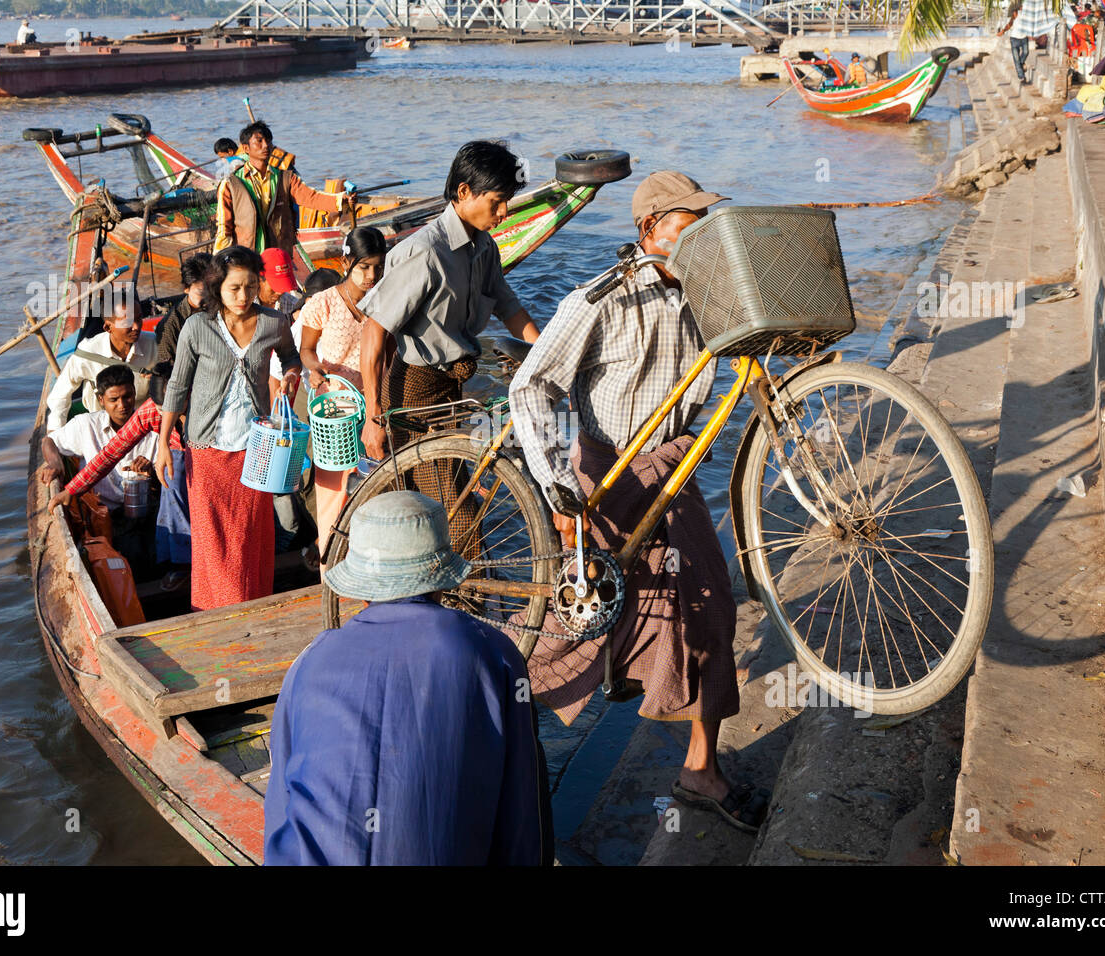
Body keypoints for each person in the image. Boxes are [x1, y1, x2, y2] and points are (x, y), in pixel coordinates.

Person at [509, 171, 765, 832]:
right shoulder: (603, 299)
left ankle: (700, 771)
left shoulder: (709, 291)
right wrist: (554, 482)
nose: (696, 239)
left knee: (709, 608)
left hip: (674, 472)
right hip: (610, 475)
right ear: (649, 231)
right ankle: (490, 715)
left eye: (703, 226)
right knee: (576, 623)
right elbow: (530, 385)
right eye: (683, 226)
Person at [264, 490, 553, 866]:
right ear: (443, 580)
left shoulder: (309, 663)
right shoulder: (494, 655)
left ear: (361, 586)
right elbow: (523, 818)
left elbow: (279, 811)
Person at [358, 141, 539, 460]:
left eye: (507, 202)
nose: (504, 213)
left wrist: (546, 355)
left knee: (448, 494)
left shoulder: (485, 248)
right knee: (446, 502)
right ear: (465, 191)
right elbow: (374, 330)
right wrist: (373, 416)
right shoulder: (427, 252)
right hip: (413, 393)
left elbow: (510, 309)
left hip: (451, 390)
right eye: (497, 202)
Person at [156, 245, 303, 611]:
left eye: (251, 287)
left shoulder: (274, 322)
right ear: (217, 286)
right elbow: (176, 387)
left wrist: (289, 376)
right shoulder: (197, 327)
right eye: (234, 288)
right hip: (206, 454)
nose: (243, 296)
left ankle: (250, 606)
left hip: (256, 450)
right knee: (214, 546)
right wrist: (162, 445)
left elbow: (291, 358)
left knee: (251, 538)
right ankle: (218, 613)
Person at [272, 226, 386, 557]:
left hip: (374, 406)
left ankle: (368, 561)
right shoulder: (322, 302)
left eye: (378, 267)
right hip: (333, 408)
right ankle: (330, 562)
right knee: (333, 491)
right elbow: (306, 349)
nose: (371, 275)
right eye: (364, 267)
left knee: (372, 488)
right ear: (347, 261)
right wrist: (314, 369)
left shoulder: (385, 301)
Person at [48, 394, 190, 578]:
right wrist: (70, 490)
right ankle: (178, 565)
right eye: (160, 409)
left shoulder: (204, 409)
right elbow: (110, 454)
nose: (164, 415)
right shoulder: (150, 412)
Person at [40, 364, 159, 574]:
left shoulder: (152, 428)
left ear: (134, 393)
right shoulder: (86, 425)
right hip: (103, 517)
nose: (122, 405)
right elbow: (49, 441)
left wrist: (152, 472)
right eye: (114, 400)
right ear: (101, 400)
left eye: (127, 397)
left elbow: (170, 473)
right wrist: (55, 463)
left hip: (145, 513)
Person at [213, 121, 349, 258]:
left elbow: (310, 197)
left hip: (279, 254)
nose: (265, 145)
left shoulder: (285, 178)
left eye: (268, 141)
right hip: (247, 257)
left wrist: (339, 200)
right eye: (259, 141)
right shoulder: (231, 184)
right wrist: (220, 260)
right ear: (246, 148)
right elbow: (224, 227)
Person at [46, 290, 157, 430]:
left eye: (139, 318)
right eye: (127, 321)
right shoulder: (88, 352)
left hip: (142, 424)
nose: (136, 326)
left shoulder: (155, 345)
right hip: (99, 426)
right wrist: (55, 435)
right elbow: (60, 396)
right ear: (108, 327)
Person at [152, 253, 212, 390]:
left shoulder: (222, 308)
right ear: (186, 289)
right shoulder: (170, 326)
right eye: (202, 292)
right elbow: (169, 371)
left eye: (213, 289)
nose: (209, 297)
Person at [999, 0, 1076, 84]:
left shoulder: (1029, 14)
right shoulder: (1016, 14)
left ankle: (1020, 65)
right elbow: (1010, 24)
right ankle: (1021, 77)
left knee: (1025, 52)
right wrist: (1003, 31)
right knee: (1016, 58)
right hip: (1014, 38)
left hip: (1024, 37)